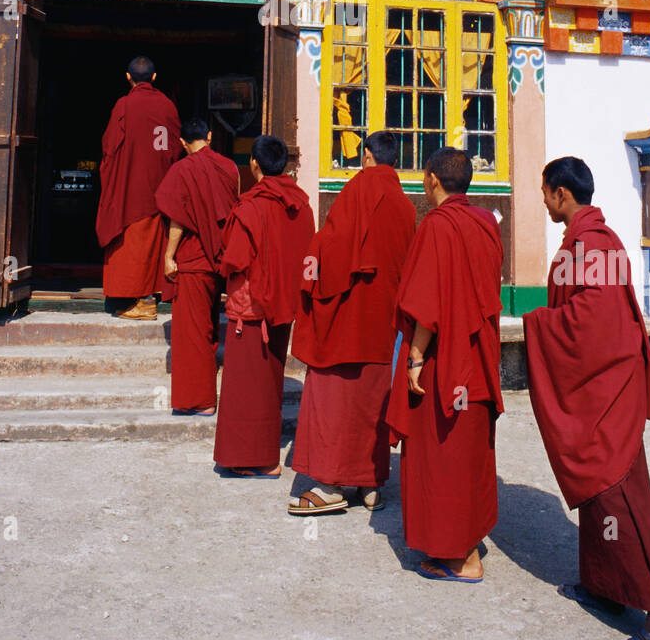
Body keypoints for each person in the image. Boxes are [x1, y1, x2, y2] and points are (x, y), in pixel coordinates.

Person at [524, 156, 650, 640]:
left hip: (606, 392)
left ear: (560, 193)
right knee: (601, 499)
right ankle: (605, 586)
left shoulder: (591, 244)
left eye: (545, 191)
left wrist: (535, 325)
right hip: (601, 386)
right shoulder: (597, 239)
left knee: (621, 500)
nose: (543, 200)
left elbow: (590, 325)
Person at [386, 146, 503, 581]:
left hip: (445, 357)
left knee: (443, 452)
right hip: (478, 355)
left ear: (432, 178)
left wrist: (415, 356)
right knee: (469, 451)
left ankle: (461, 558)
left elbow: (426, 305)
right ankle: (469, 539)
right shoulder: (484, 222)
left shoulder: (437, 225)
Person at [289, 130, 416, 515]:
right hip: (385, 326)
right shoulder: (406, 206)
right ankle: (372, 483)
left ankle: (330, 484)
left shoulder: (356, 189)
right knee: (374, 401)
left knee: (336, 399)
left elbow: (331, 244)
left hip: (345, 321)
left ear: (366, 156)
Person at [213, 135, 314, 477]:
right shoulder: (300, 203)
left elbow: (236, 259)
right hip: (285, 304)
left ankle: (254, 459)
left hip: (252, 307)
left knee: (246, 386)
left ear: (253, 164)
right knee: (269, 380)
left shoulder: (250, 205)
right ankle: (265, 454)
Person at [154, 118, 239, 415]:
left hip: (192, 259)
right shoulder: (229, 167)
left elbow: (177, 217)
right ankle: (204, 392)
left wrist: (169, 255)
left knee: (192, 332)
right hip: (219, 257)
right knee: (208, 325)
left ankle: (200, 400)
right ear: (210, 136)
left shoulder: (181, 170)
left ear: (181, 142)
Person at [95, 56, 180, 321]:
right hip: (156, 185)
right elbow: (169, 148)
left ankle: (141, 300)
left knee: (130, 241)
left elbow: (109, 147)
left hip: (127, 187)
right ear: (154, 77)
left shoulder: (124, 105)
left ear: (128, 77)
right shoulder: (166, 106)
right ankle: (147, 296)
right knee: (152, 241)